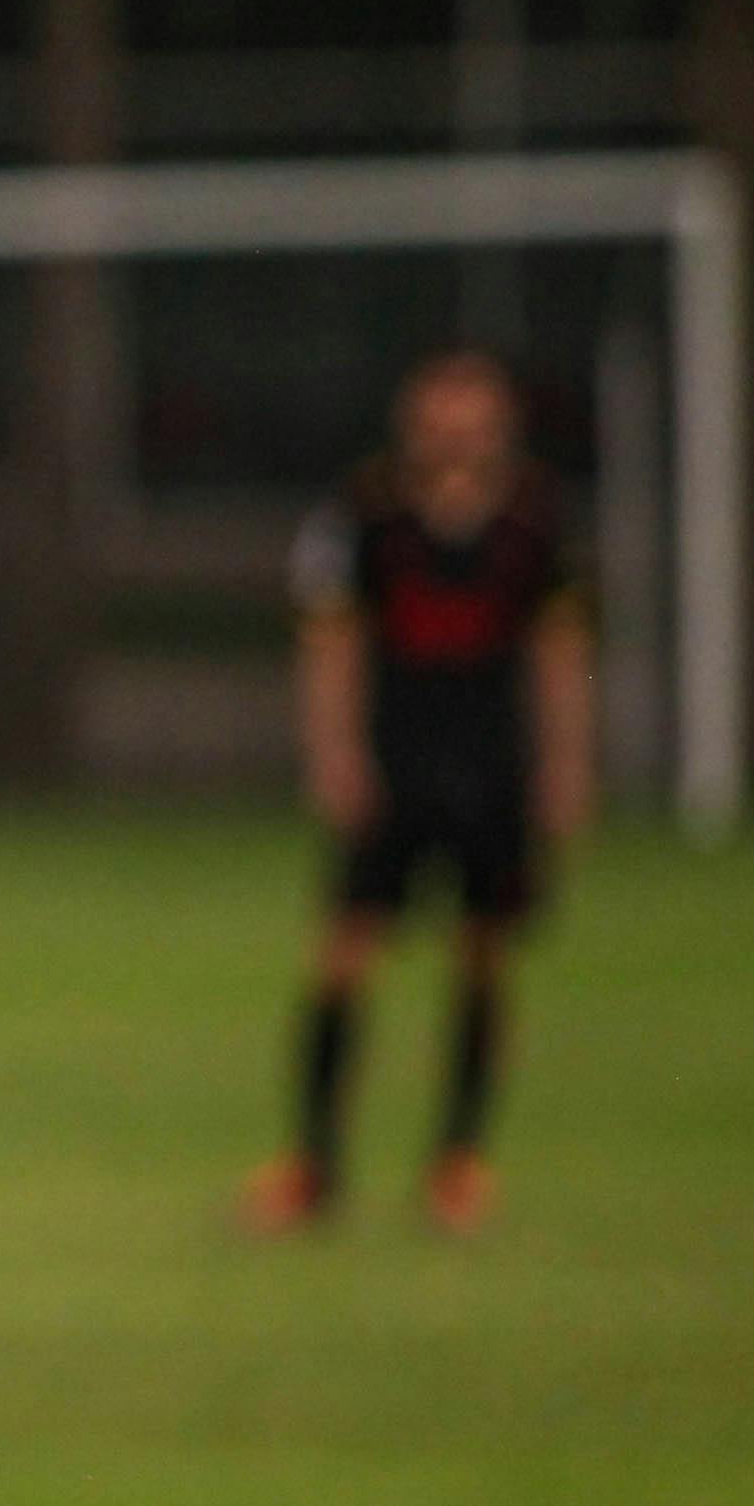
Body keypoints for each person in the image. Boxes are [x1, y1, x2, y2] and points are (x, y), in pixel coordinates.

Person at [249, 348, 595, 1234]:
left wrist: (565, 764)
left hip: (491, 768)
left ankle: (457, 1163)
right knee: (344, 955)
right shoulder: (366, 515)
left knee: (483, 958)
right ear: (413, 423)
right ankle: (315, 1166)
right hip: (395, 763)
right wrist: (334, 752)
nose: (455, 438)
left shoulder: (533, 520)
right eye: (440, 420)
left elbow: (560, 652)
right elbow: (331, 642)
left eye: (472, 421)